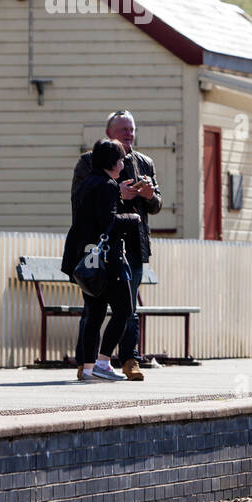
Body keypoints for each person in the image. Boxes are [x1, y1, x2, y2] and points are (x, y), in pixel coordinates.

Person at [71, 110, 162, 381]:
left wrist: (148, 195)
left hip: (133, 246)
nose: (129, 134)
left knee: (127, 307)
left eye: (131, 129)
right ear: (109, 133)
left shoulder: (144, 162)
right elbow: (83, 204)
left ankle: (128, 359)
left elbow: (156, 205)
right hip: (101, 249)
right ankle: (88, 363)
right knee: (96, 310)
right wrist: (118, 195)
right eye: (123, 129)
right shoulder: (89, 163)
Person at [61, 139, 145, 382]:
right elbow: (108, 223)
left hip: (86, 258)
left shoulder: (88, 183)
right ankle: (104, 362)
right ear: (111, 162)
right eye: (120, 159)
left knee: (94, 313)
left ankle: (87, 368)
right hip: (108, 261)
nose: (122, 164)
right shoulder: (108, 185)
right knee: (124, 312)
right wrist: (132, 218)